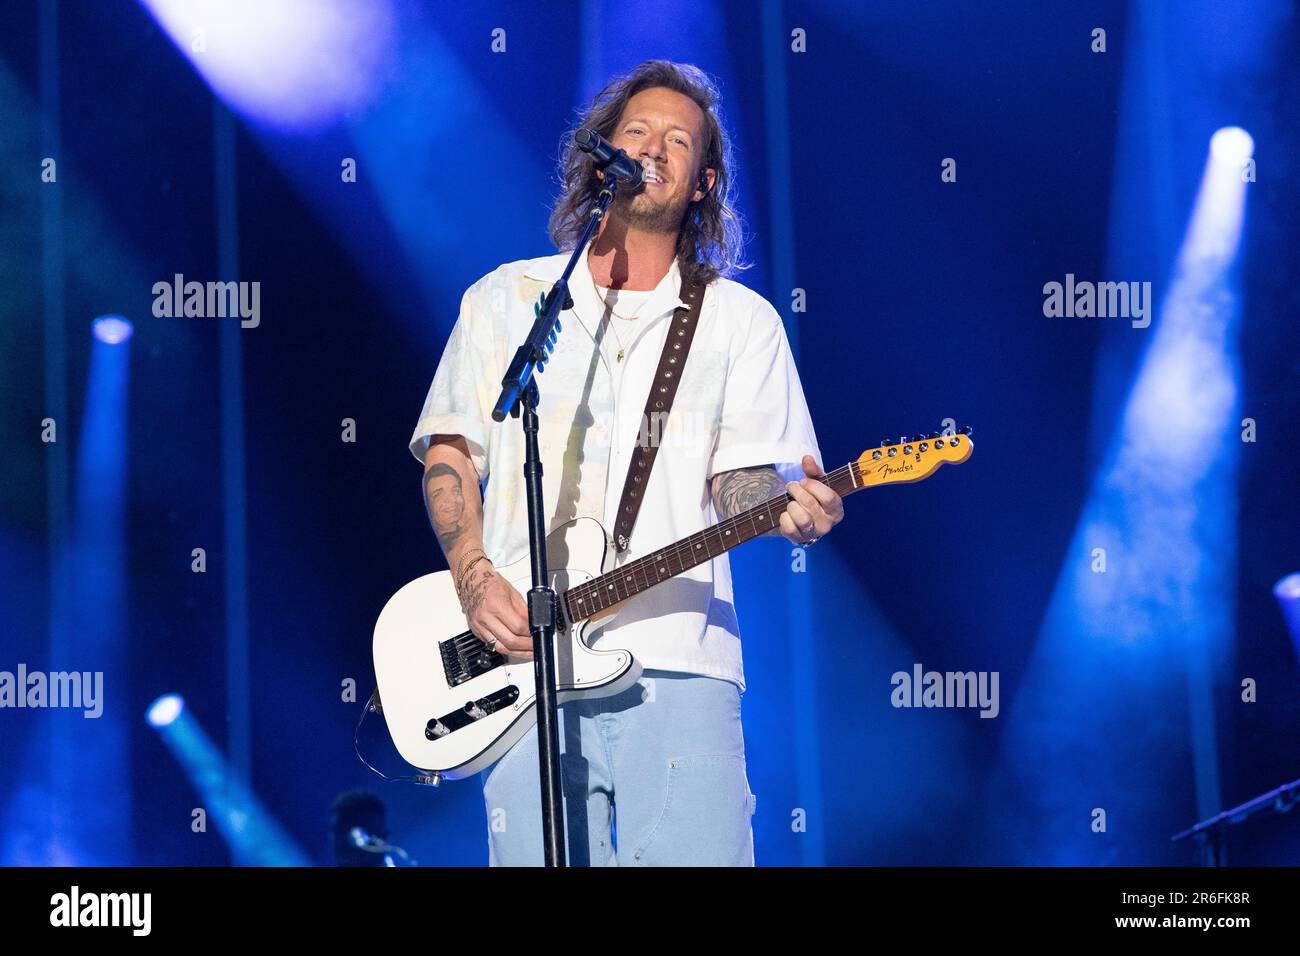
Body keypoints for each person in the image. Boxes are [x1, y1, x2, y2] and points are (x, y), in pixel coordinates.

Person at [409, 60, 843, 866]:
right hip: (523, 671)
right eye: (636, 132)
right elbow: (450, 451)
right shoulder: (507, 301)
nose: (654, 148)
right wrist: (473, 576)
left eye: (679, 141)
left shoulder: (738, 322)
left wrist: (782, 503)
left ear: (703, 182)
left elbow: (740, 479)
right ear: (598, 154)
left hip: (679, 664)